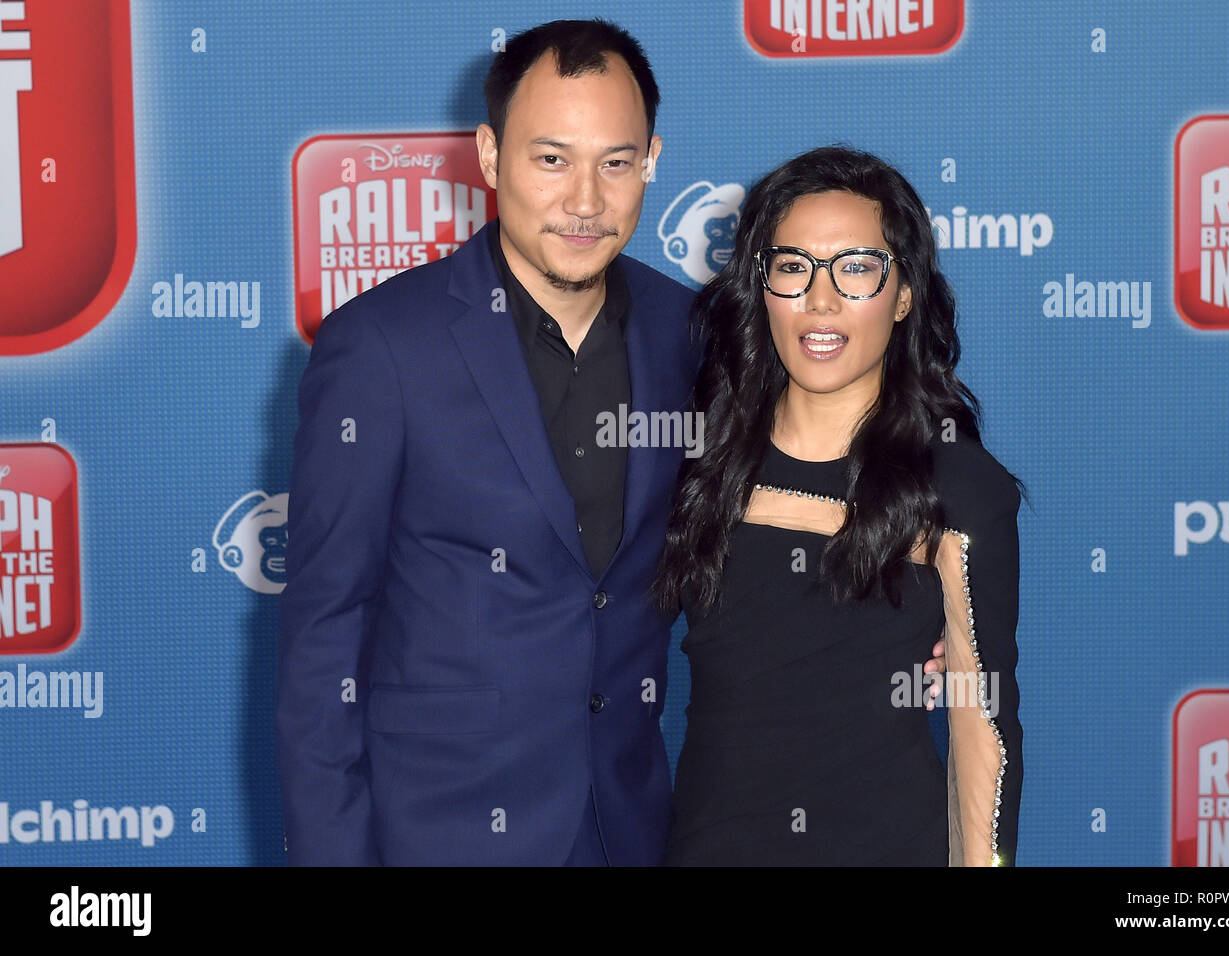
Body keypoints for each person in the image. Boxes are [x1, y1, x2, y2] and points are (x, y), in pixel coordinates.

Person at [276, 19, 947, 866]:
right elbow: (321, 643)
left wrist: (915, 617)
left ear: (652, 161)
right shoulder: (381, 349)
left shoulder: (695, 336)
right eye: (551, 159)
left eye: (616, 163)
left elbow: (800, 480)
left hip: (632, 831)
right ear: (489, 157)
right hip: (436, 837)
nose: (585, 201)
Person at [653, 146, 1026, 866]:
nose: (820, 300)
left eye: (856, 268)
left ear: (905, 293)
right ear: (760, 286)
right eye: (793, 267)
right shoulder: (697, 462)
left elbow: (985, 732)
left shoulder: (957, 483)